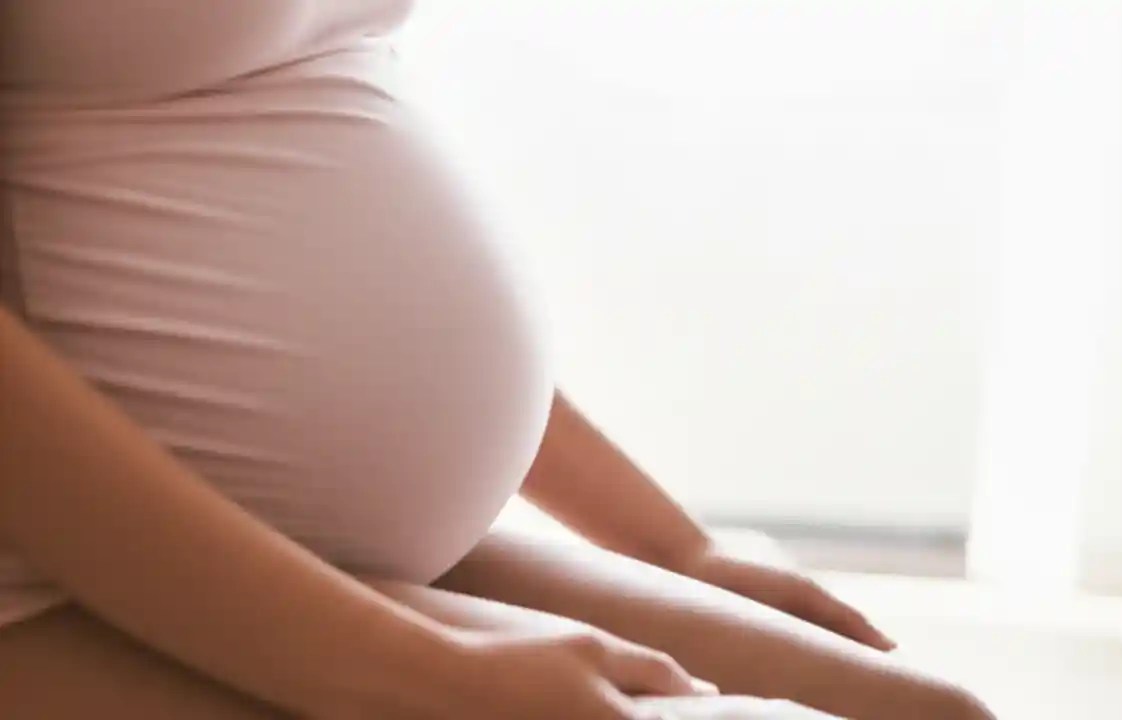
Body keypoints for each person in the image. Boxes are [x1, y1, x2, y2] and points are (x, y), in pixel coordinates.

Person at [0, 2, 994, 718]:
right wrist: (421, 679)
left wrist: (665, 547)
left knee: (931, 714)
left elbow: (293, 157)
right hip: (47, 577)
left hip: (303, 530)